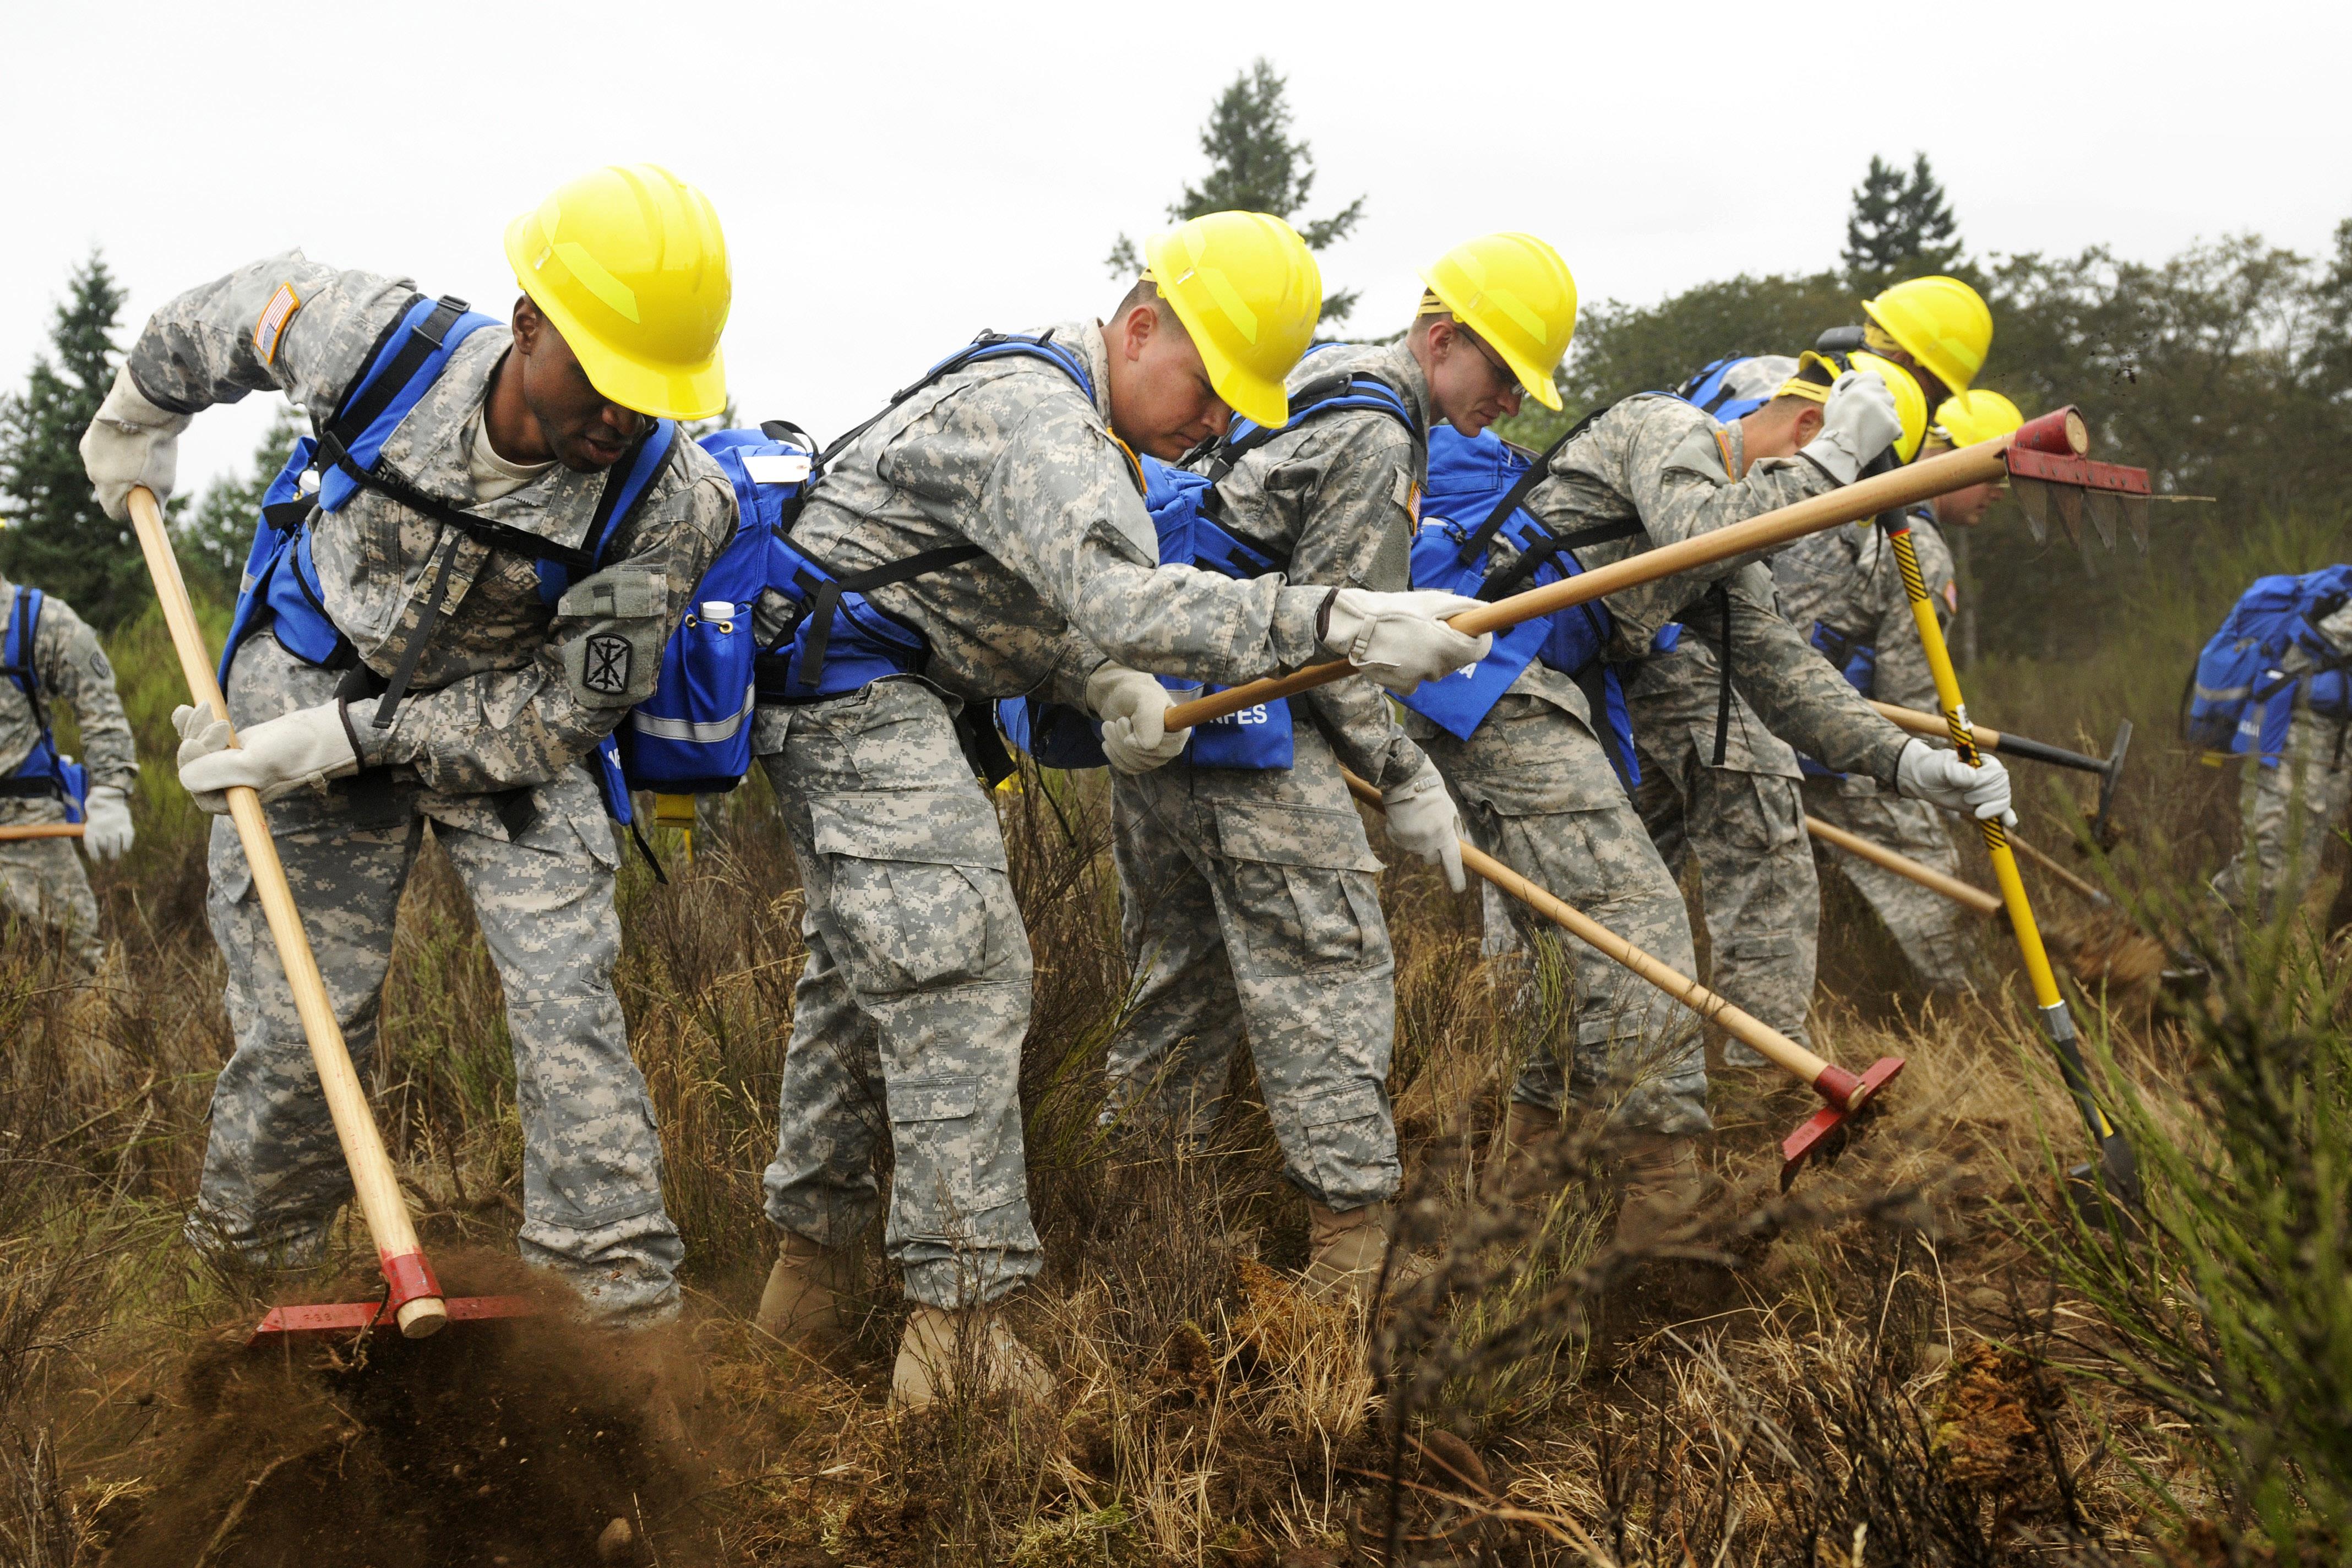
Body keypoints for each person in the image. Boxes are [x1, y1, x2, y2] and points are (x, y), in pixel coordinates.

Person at [744, 211, 1490, 1402]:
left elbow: (1014, 589)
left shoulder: (1068, 409)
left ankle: (808, 1284)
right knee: (964, 972)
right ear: (1140, 326)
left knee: (854, 978)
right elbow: (1119, 592)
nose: (1217, 420)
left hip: (851, 687)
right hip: (856, 693)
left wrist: (1098, 682)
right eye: (1207, 385)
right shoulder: (1048, 420)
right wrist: (1331, 620)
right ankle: (962, 1331)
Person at [79, 164, 738, 1322]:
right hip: (310, 667)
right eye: (603, 377)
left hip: (505, 729)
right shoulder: (372, 342)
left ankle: (618, 1312)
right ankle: (246, 1286)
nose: (622, 416)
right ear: (528, 320)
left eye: (652, 393)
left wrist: (359, 739)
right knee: (301, 1022)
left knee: (569, 1011)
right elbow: (229, 313)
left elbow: (563, 710)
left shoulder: (668, 507)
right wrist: (141, 409)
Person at [1418, 352, 2016, 1239]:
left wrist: (1904, 761)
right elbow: (1707, 523)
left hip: (1536, 686)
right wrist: (1832, 467)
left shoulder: (1726, 547)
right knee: (1634, 911)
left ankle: (1526, 1183)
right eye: (1815, 455)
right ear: (1805, 427)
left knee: (1569, 939)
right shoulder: (1671, 429)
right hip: (1489, 665)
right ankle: (1664, 1195)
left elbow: (1783, 673)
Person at [1101, 234, 1576, 1304]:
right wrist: (1405, 772)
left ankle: (1126, 1229)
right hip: (1246, 727)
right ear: (1443, 338)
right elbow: (1341, 643)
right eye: (1503, 375)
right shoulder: (1376, 433)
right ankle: (1349, 1273)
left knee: (1182, 986)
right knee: (1330, 973)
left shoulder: (1317, 378)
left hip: (1164, 717)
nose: (1507, 403)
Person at [1774, 389, 2024, 992]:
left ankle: (1864, 989)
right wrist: (1938, 788)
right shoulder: (1921, 553)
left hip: (1773, 730)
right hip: (1839, 751)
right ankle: (1980, 1015)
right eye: (1995, 473)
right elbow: (1910, 702)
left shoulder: (1846, 506)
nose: (1999, 493)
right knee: (1928, 869)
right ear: (1955, 457)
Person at [0, 573, 136, 969]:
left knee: (75, 956)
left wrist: (110, 793)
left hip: (24, 820)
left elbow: (100, 712)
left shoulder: (42, 620)